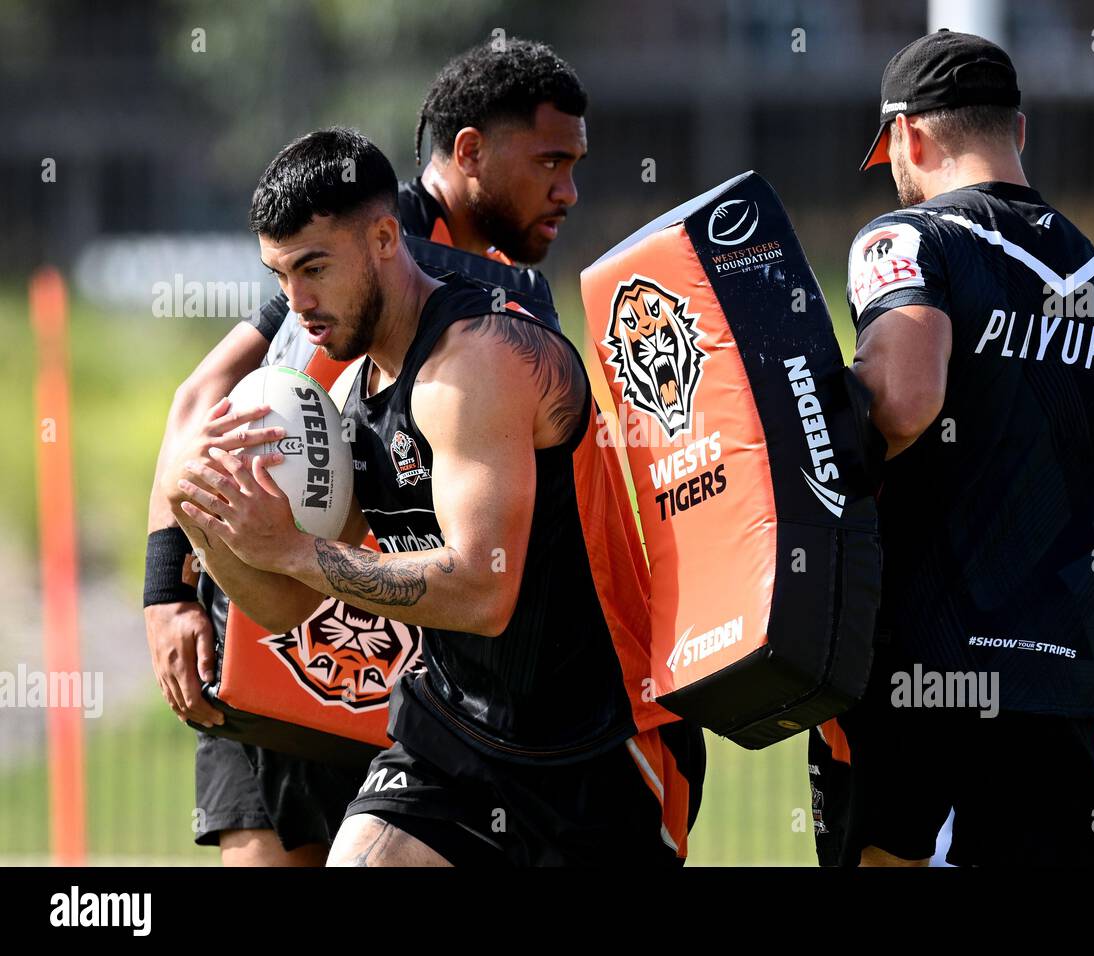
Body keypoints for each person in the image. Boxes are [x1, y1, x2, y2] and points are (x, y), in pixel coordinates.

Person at [172, 127, 702, 867]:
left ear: (386, 237)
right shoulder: (357, 391)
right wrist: (214, 528)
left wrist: (291, 548)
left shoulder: (475, 364)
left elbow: (482, 589)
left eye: (314, 268)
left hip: (598, 743)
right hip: (453, 733)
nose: (297, 303)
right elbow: (288, 605)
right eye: (280, 274)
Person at [144, 38, 589, 865]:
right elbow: (200, 404)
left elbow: (480, 582)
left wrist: (285, 549)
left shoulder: (483, 322)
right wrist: (178, 566)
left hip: (533, 720)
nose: (566, 190)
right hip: (341, 676)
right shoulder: (366, 262)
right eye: (551, 161)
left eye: (574, 163)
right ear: (470, 153)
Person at [808, 29, 1094, 867]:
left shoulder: (905, 240)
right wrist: (1037, 567)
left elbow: (903, 400)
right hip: (1065, 697)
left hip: (923, 690)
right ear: (1020, 130)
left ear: (906, 134)